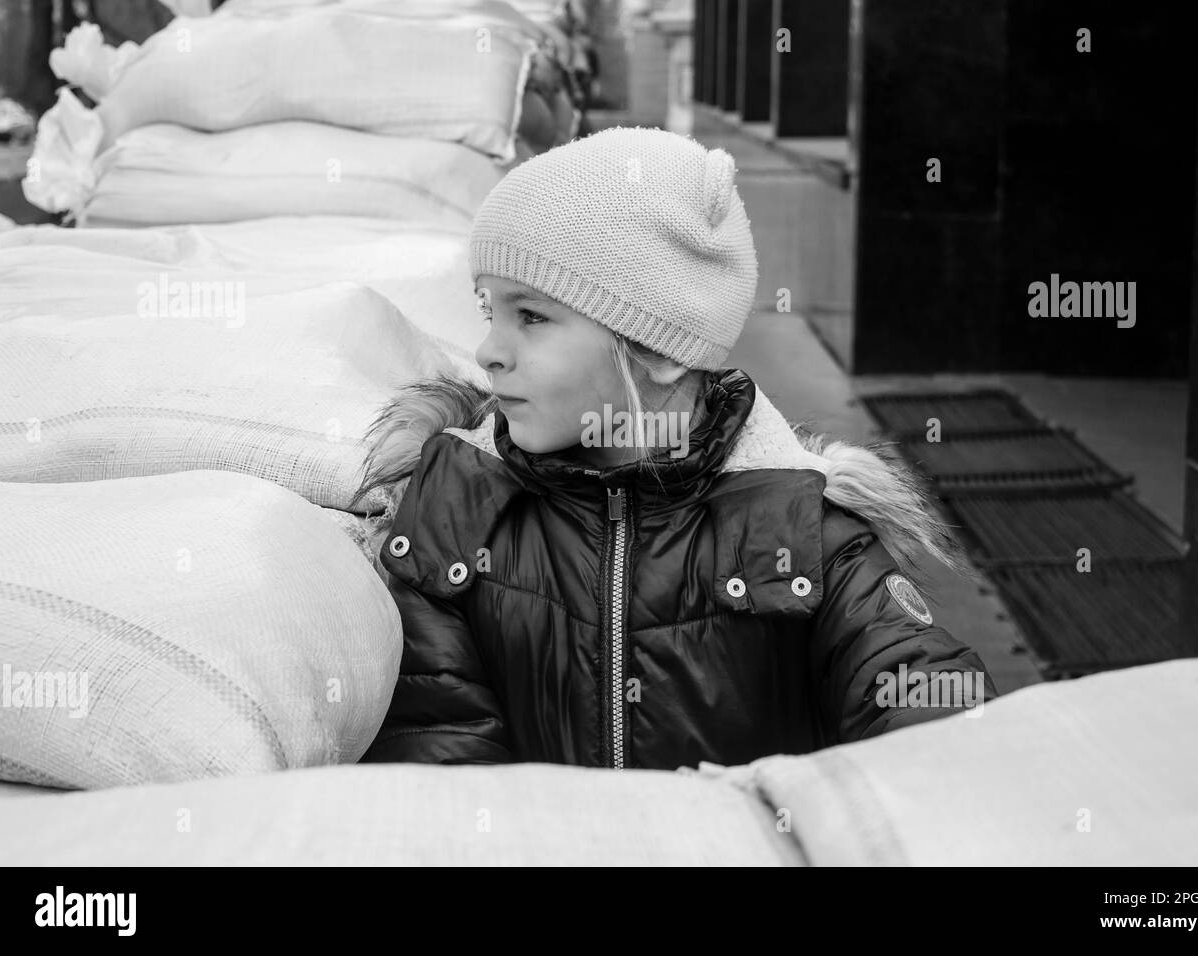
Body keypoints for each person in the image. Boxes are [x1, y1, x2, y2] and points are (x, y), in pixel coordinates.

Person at [353, 126, 994, 770]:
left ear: (657, 350)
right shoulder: (456, 514)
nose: (489, 349)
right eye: (488, 310)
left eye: (532, 316)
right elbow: (438, 745)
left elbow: (912, 681)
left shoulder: (805, 532)